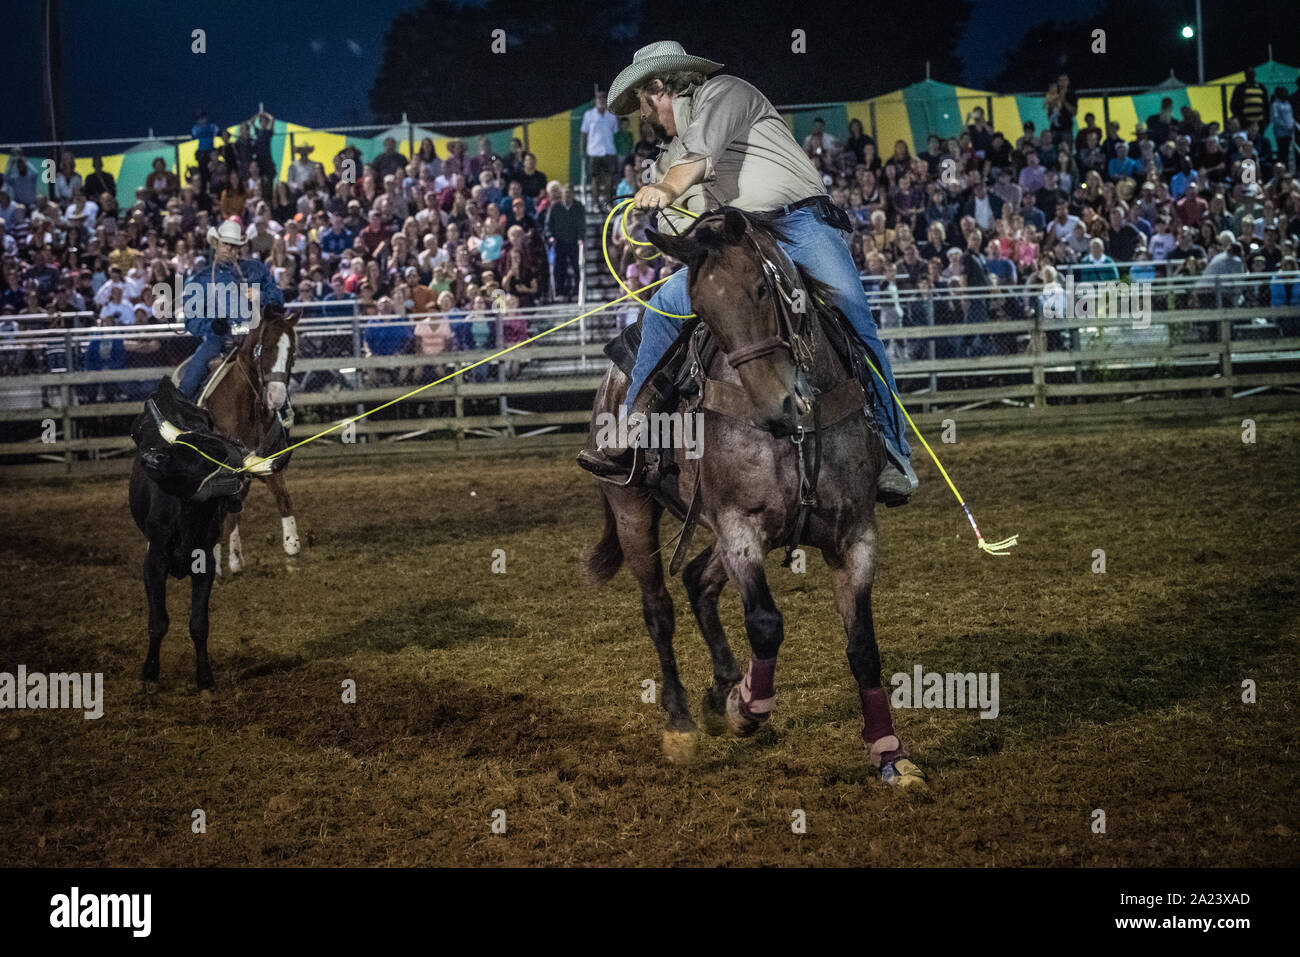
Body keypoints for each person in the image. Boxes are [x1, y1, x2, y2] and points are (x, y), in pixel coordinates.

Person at [577, 40, 917, 503]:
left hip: (800, 223)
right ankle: (635, 430)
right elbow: (683, 219)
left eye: (644, 107)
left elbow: (696, 161)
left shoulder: (725, 93)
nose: (645, 120)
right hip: (738, 243)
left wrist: (666, 187)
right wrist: (657, 242)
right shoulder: (666, 156)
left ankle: (893, 452)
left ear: (659, 88)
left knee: (853, 313)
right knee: (664, 308)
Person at [177, 218, 284, 399]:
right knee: (192, 376)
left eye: (235, 246)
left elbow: (279, 299)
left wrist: (262, 297)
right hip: (219, 339)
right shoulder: (200, 280)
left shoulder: (255, 269)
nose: (230, 250)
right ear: (216, 244)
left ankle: (284, 410)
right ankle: (181, 412)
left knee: (278, 369)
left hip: (254, 335)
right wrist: (212, 325)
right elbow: (191, 320)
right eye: (226, 244)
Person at [581, 90, 620, 212]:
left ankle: (607, 202)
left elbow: (615, 131)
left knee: (609, 178)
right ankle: (595, 202)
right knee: (595, 178)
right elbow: (584, 133)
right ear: (595, 100)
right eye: (599, 98)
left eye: (604, 98)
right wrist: (582, 150)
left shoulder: (612, 115)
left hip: (609, 150)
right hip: (594, 151)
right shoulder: (589, 115)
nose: (601, 100)